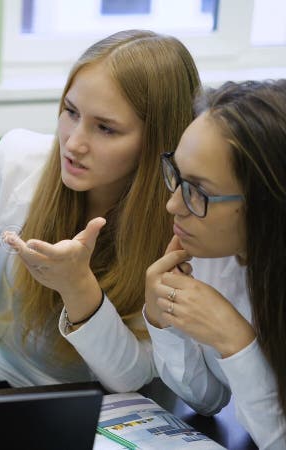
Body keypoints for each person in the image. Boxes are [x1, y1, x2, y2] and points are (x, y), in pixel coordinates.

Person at [0, 30, 202, 393]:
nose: (73, 143)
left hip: (112, 405)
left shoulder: (184, 223)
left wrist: (78, 287)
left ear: (158, 141)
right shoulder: (19, 160)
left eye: (105, 128)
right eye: (70, 112)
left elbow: (133, 378)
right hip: (5, 379)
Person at [145, 80, 286, 449]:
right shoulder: (212, 251)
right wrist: (163, 320)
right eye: (176, 176)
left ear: (268, 202)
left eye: (197, 191)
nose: (173, 205)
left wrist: (236, 339)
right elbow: (207, 400)